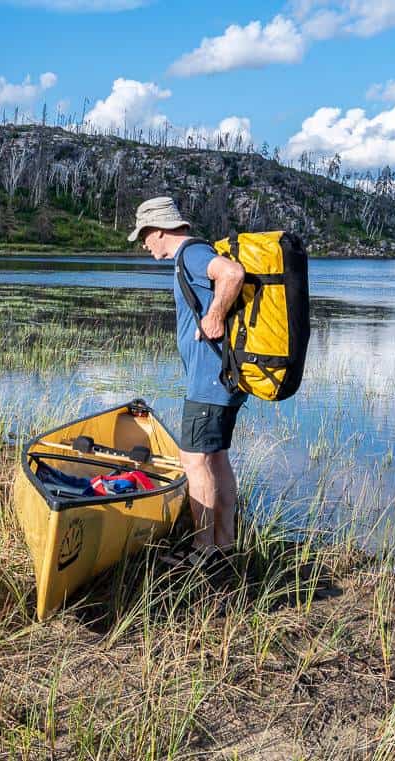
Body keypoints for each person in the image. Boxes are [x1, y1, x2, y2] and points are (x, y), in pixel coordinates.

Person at [127, 196, 246, 564]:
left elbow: (232, 273)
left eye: (144, 236)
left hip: (209, 380)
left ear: (159, 229)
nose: (145, 245)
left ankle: (203, 549)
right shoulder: (192, 255)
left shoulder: (191, 254)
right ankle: (224, 544)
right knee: (215, 459)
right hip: (222, 377)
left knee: (193, 460)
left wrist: (214, 315)